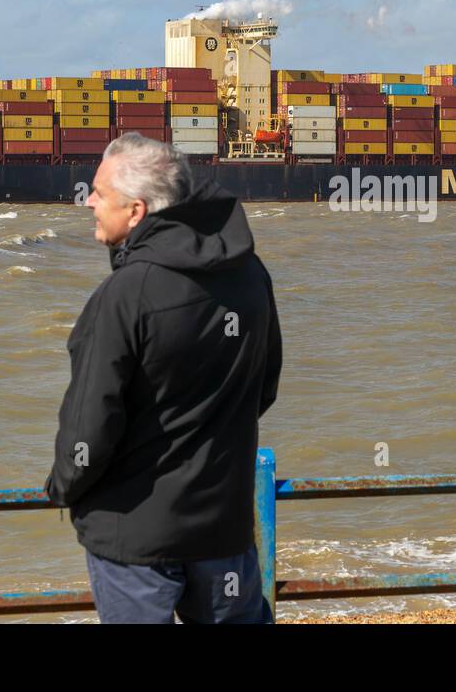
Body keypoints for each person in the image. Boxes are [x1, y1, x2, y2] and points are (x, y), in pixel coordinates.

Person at [46, 134, 281, 624]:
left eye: (99, 194)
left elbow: (90, 423)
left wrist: (65, 488)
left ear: (136, 212)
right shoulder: (251, 274)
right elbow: (265, 386)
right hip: (223, 525)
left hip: (134, 537)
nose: (88, 201)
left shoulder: (124, 294)